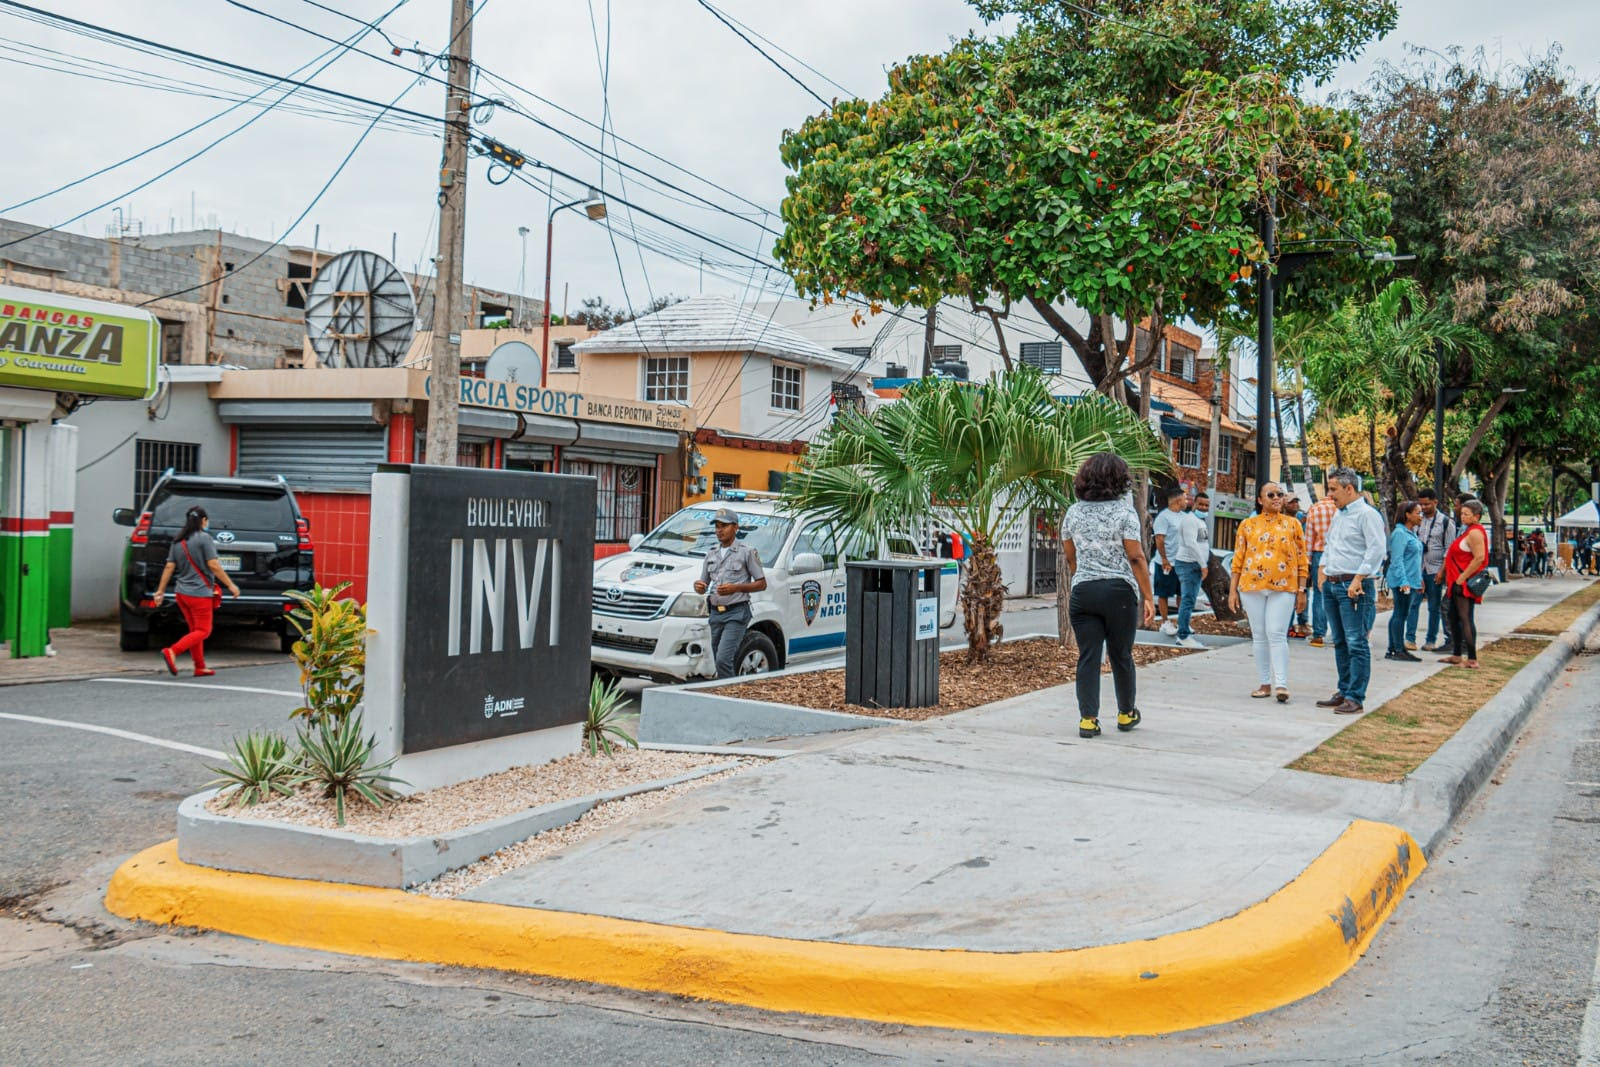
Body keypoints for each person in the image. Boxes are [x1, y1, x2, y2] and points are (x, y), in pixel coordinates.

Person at [1062, 453, 1156, 739]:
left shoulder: (1073, 512)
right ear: (1120, 480)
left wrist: (1085, 577)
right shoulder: (1125, 513)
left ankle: (1088, 720)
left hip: (1084, 591)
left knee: (1088, 655)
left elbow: (1070, 555)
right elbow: (1136, 556)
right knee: (1120, 654)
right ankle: (1126, 713)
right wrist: (1148, 596)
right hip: (1119, 593)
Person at [1227, 482, 1308, 702]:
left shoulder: (1293, 525)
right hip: (1251, 587)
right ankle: (1264, 684)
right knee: (1260, 635)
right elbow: (1238, 559)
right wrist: (1232, 591)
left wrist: (1301, 589)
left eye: (1280, 495)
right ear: (1260, 500)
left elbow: (1302, 559)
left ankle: (1281, 684)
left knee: (1277, 633)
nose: (1276, 498)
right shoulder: (1247, 525)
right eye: (1270, 494)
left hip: (1283, 587)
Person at [1316, 468, 1388, 716]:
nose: (1329, 494)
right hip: (1333, 584)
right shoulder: (1339, 515)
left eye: (1333, 489)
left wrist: (1359, 578)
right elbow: (1331, 544)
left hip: (1353, 587)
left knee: (1356, 642)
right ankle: (1344, 689)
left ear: (1349, 489)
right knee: (1339, 642)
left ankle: (1355, 697)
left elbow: (1377, 550)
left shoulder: (1367, 515)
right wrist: (1322, 570)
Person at [150, 505, 240, 677]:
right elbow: (213, 565)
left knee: (195, 631)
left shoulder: (178, 540)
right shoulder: (204, 538)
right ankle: (172, 651)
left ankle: (200, 666)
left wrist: (160, 591)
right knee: (204, 631)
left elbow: (169, 566)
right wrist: (230, 585)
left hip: (182, 593)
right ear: (204, 521)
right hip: (199, 594)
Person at [693, 507, 768, 678]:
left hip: (736, 613)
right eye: (717, 526)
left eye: (724, 526)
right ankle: (730, 690)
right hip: (715, 614)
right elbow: (703, 582)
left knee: (722, 659)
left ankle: (728, 694)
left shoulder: (746, 552)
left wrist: (736, 588)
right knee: (720, 660)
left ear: (735, 527)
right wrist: (698, 586)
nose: (719, 530)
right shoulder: (711, 553)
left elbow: (762, 583)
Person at [1441, 499, 1491, 669]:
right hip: (1455, 580)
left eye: (1467, 514)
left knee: (1465, 618)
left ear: (1476, 516)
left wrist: (1462, 577)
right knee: (1453, 617)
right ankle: (1456, 654)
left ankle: (1472, 658)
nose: (1462, 516)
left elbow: (1480, 558)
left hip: (1462, 582)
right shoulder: (1467, 531)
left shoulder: (1475, 533)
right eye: (1462, 513)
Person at [1164, 487, 1209, 649]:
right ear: (1194, 504)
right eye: (1201, 505)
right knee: (1188, 600)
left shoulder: (1200, 521)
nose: (1204, 508)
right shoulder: (1190, 520)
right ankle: (1183, 635)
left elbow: (1202, 544)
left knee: (1189, 600)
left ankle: (1185, 627)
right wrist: (1203, 565)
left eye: (1206, 506)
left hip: (1195, 566)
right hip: (1189, 565)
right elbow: (1191, 543)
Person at [1411, 489, 1456, 652]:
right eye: (1421, 504)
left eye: (1427, 504)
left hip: (1435, 569)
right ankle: (1410, 638)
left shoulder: (1445, 522)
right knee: (1413, 603)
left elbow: (1449, 549)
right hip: (1418, 568)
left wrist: (1442, 571)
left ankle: (1431, 639)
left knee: (1433, 606)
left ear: (1435, 502)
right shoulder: (1418, 520)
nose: (1423, 507)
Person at [1385, 502, 1425, 663]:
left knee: (1402, 613)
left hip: (1413, 580)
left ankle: (1395, 647)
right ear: (1407, 515)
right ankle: (1396, 648)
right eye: (1418, 512)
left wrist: (1419, 579)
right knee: (1400, 614)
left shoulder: (1411, 533)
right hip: (1403, 581)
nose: (1420, 516)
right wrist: (1403, 581)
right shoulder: (1400, 533)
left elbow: (1414, 559)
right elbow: (1397, 559)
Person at [1303, 484, 1338, 648]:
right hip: (1339, 553)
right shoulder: (1341, 508)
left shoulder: (1315, 508)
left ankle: (1319, 634)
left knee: (1319, 592)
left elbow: (1309, 538)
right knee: (1340, 592)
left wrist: (1308, 561)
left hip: (1319, 552)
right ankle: (1338, 633)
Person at [1150, 487, 1185, 635]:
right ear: (1178, 500)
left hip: (1182, 562)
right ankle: (1165, 622)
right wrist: (1164, 559)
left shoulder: (1184, 516)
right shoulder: (1164, 517)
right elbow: (1159, 538)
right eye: (1185, 498)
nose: (1186, 501)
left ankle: (1183, 622)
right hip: (1166, 563)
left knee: (1182, 593)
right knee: (1164, 593)